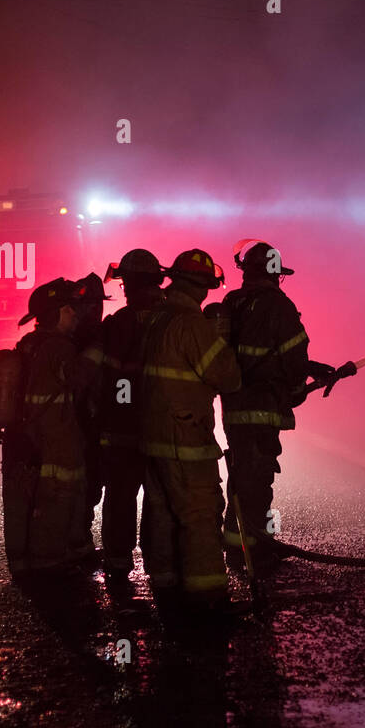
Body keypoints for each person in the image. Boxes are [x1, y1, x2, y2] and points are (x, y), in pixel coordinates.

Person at [219, 239, 334, 573]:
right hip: (263, 407)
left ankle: (238, 547)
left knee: (241, 477)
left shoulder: (231, 303)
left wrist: (313, 370)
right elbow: (293, 356)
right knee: (258, 479)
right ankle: (257, 552)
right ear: (274, 273)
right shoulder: (278, 306)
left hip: (233, 409)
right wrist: (299, 386)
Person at [138, 248, 241, 609]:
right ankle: (208, 598)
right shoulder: (191, 323)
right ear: (202, 287)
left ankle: (168, 593)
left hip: (153, 439)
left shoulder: (154, 320)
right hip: (185, 440)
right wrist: (225, 343)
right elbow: (226, 377)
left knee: (163, 514)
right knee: (199, 513)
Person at [77, 250, 166, 576]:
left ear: (129, 285)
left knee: (120, 497)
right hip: (164, 431)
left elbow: (86, 373)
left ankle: (118, 562)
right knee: (161, 497)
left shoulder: (115, 326)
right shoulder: (173, 323)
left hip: (120, 430)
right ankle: (160, 563)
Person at [0, 278, 93, 577]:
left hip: (23, 440)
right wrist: (97, 349)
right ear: (54, 314)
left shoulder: (27, 343)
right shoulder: (59, 348)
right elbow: (80, 379)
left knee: (22, 501)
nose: (75, 315)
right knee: (55, 498)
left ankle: (23, 563)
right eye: (68, 310)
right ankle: (49, 566)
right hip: (53, 440)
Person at [71, 271, 109, 559]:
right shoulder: (90, 337)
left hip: (88, 422)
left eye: (98, 303)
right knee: (85, 485)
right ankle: (78, 543)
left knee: (88, 485)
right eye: (92, 304)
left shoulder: (76, 335)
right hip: (84, 422)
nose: (96, 309)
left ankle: (77, 541)